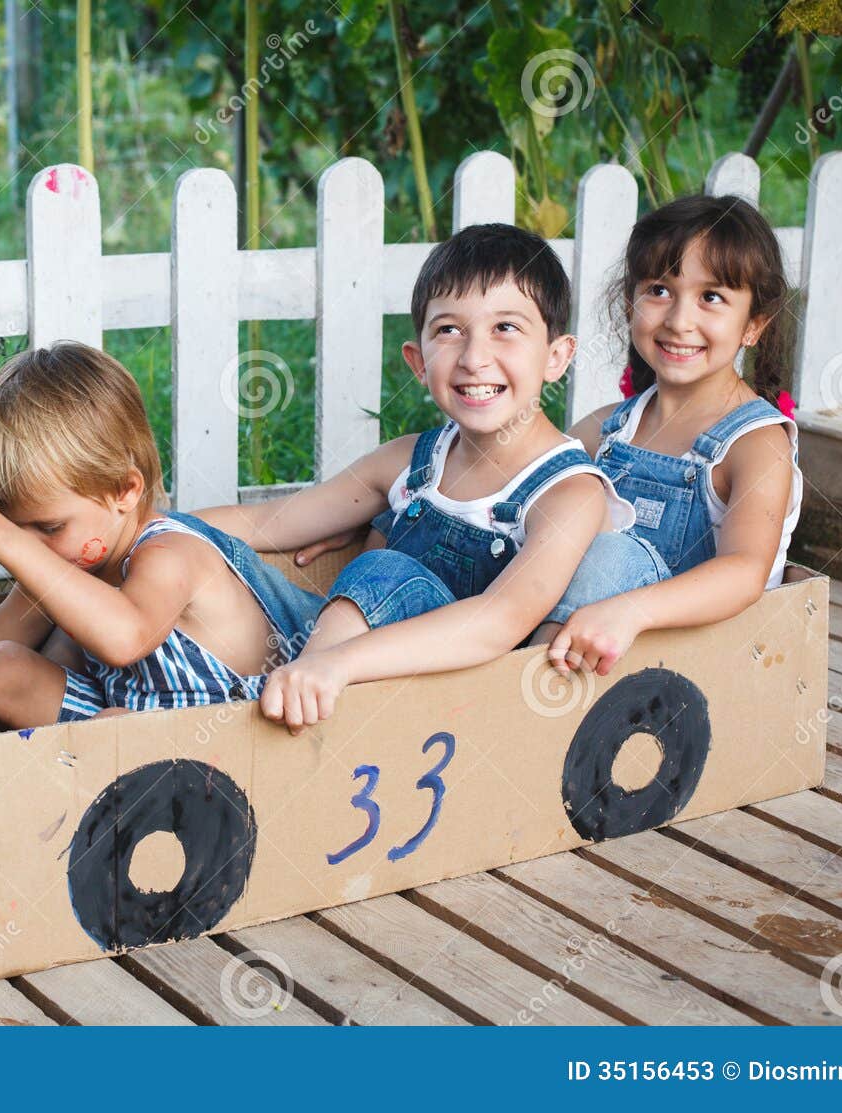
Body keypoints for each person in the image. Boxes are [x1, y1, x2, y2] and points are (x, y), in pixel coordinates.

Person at [196, 223, 645, 733]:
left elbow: (500, 621)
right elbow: (271, 522)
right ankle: (261, 683)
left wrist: (334, 663)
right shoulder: (411, 460)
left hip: (465, 706)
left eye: (506, 328)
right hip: (353, 672)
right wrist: (158, 531)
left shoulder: (568, 492)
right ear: (418, 360)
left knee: (383, 571)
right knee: (208, 556)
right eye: (449, 330)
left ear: (557, 356)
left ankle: (296, 690)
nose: (474, 358)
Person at [0, 341, 325, 741]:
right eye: (16, 528)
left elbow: (125, 637)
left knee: (110, 730)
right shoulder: (64, 565)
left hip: (228, 733)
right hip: (119, 719)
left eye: (49, 527)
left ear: (126, 490)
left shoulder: (171, 556)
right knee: (0, 668)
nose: (31, 547)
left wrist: (5, 541)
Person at [538, 193, 802, 676]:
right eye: (659, 290)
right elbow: (531, 487)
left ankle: (515, 687)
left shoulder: (755, 443)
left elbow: (745, 571)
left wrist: (630, 611)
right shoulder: (606, 428)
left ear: (753, 326)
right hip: (588, 660)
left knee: (610, 555)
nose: (680, 321)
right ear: (630, 302)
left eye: (712, 297)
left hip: (701, 669)